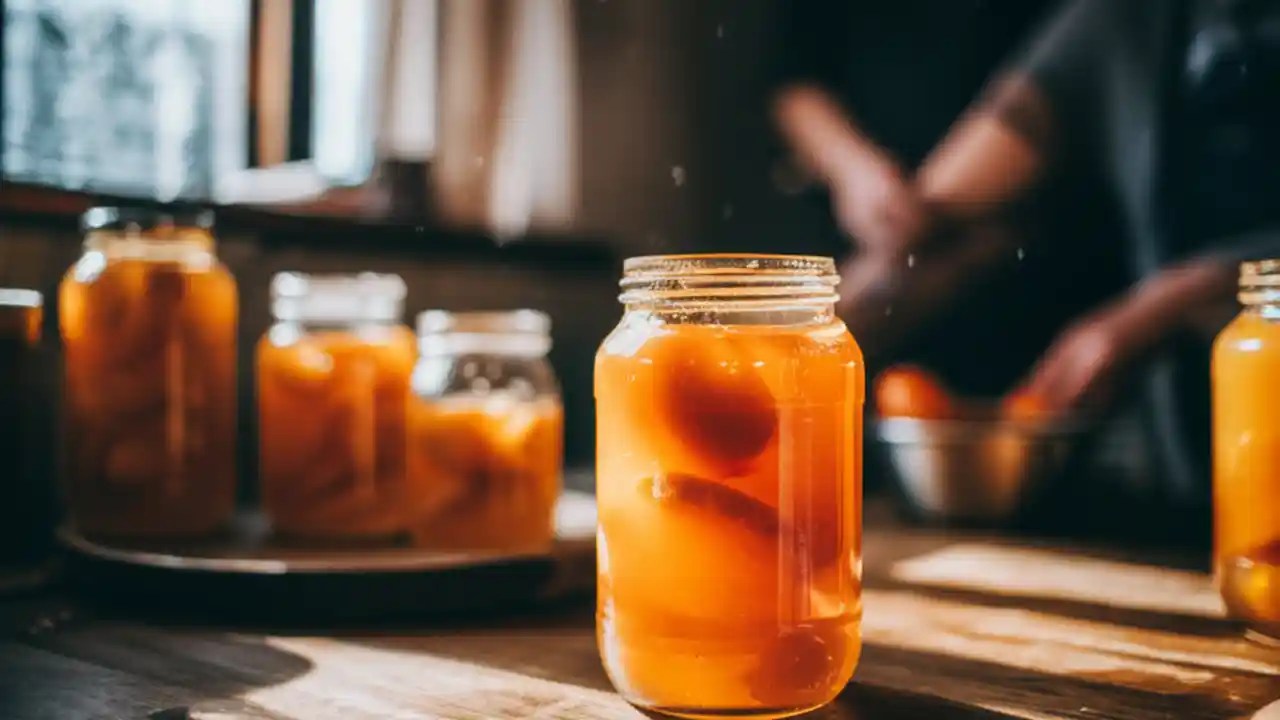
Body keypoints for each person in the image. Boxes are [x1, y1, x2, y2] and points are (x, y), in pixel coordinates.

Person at [782, 0, 1280, 510]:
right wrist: (791, 345)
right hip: (1204, 477)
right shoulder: (1123, 17)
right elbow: (930, 228)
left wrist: (1160, 306)